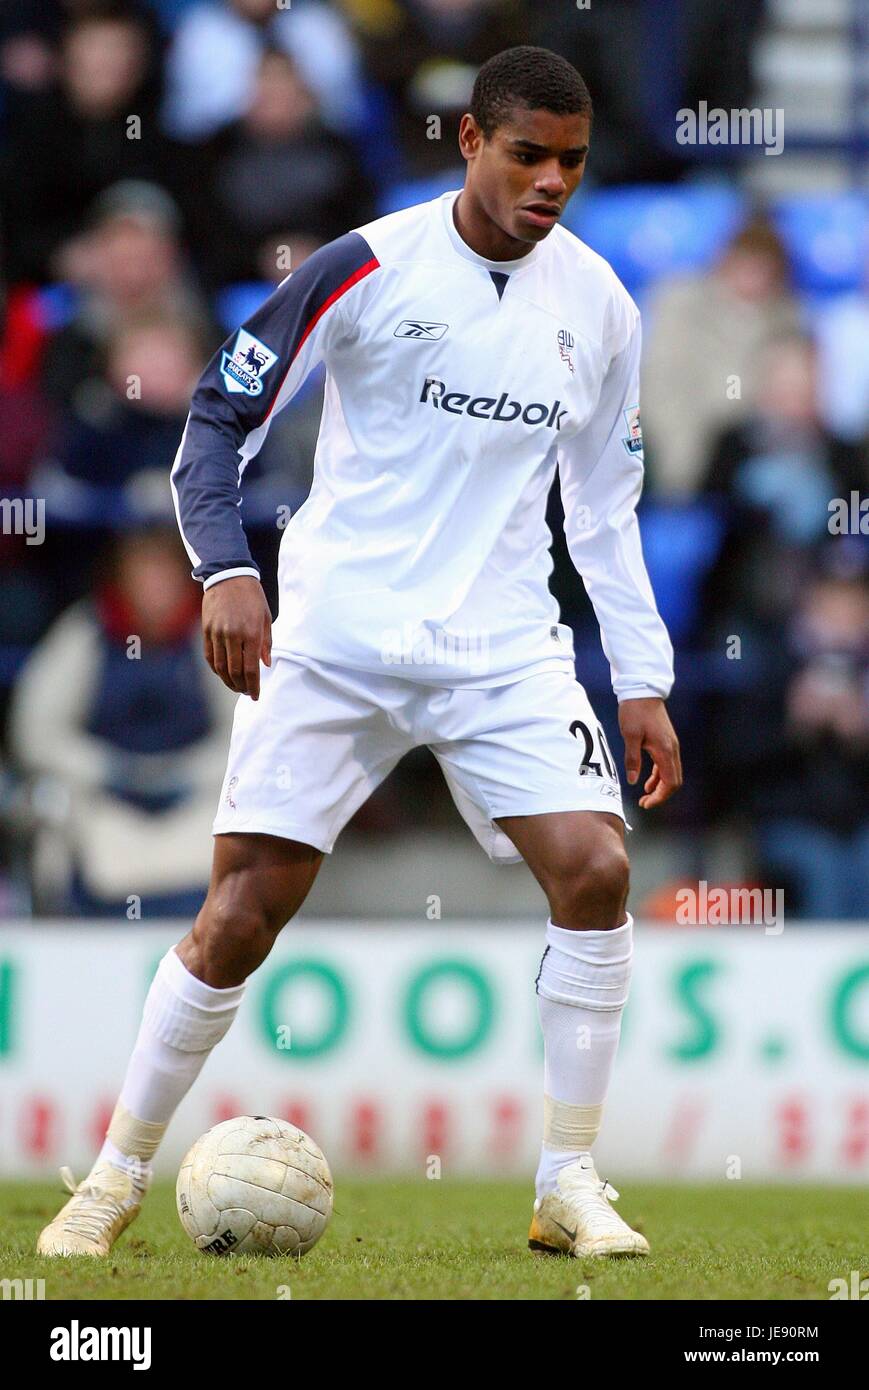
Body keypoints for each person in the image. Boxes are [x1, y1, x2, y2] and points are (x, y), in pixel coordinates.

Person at [39, 46, 681, 1262]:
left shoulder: (600, 304)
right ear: (469, 144)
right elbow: (217, 418)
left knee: (594, 869)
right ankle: (114, 1176)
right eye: (528, 154)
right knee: (238, 916)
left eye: (573, 161)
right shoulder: (366, 268)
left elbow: (603, 507)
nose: (552, 181)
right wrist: (228, 572)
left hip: (502, 644)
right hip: (335, 639)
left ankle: (564, 1179)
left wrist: (638, 678)